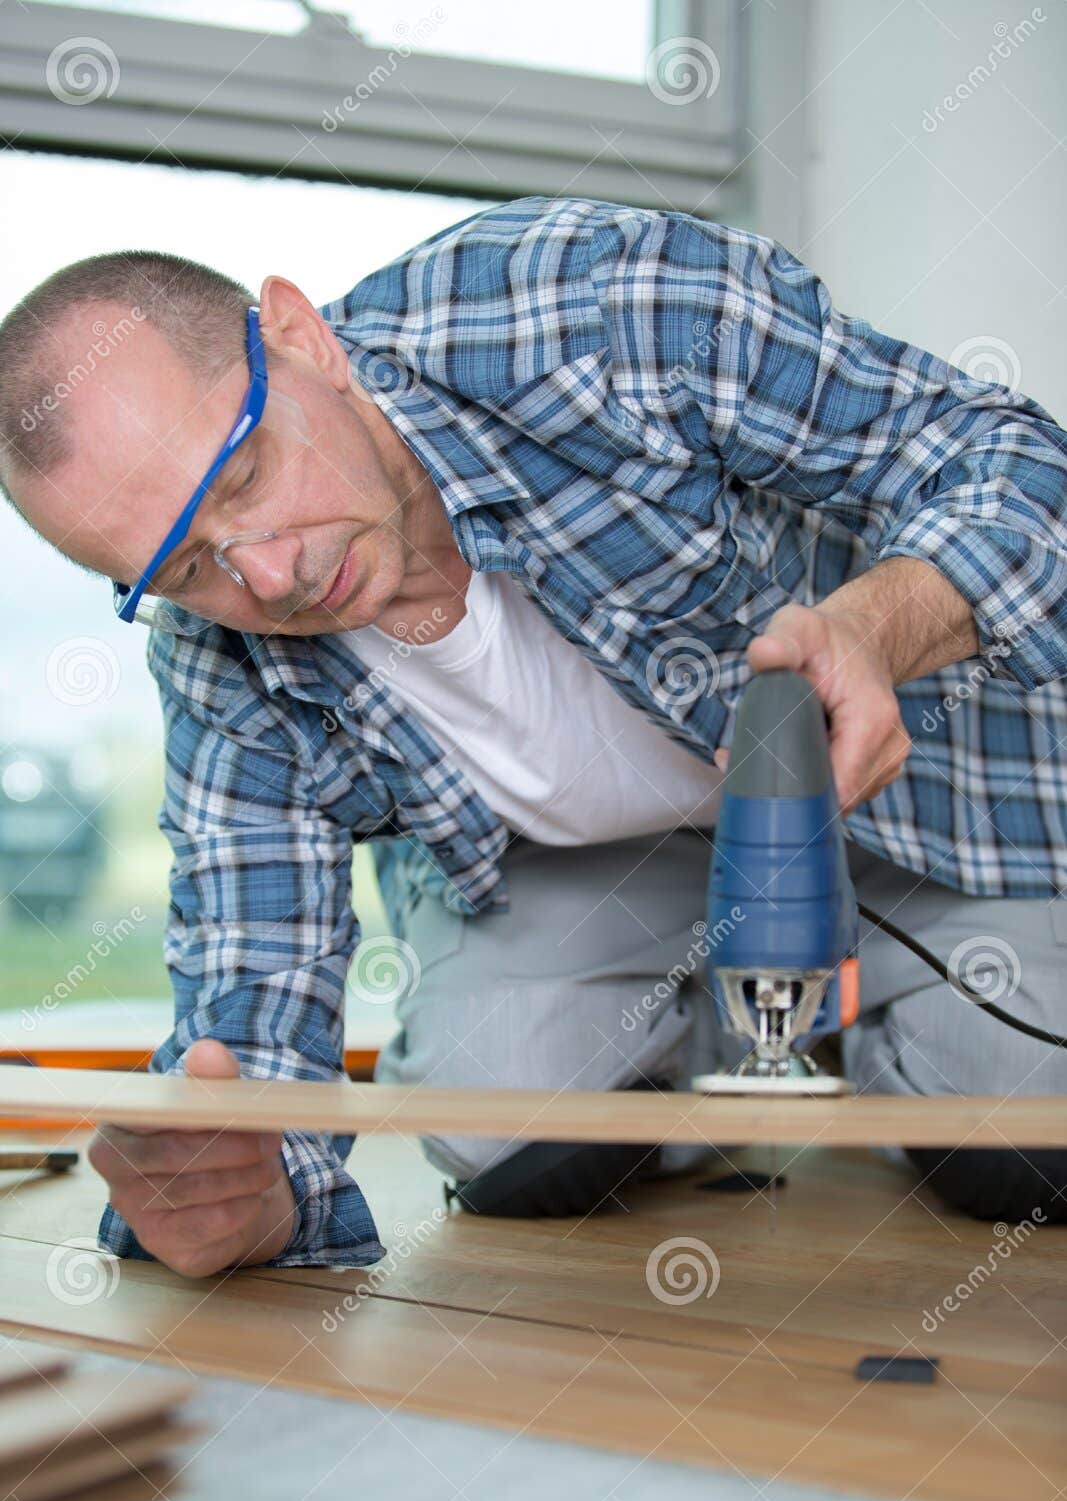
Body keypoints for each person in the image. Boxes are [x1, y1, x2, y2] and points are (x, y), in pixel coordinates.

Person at [2, 196, 1065, 1278]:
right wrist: (244, 1202)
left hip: (903, 812)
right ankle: (700, 1039)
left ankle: (857, 1028)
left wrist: (878, 628)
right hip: (589, 876)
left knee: (1029, 1121)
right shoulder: (218, 656)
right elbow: (250, 1019)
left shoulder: (595, 305)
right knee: (499, 1129)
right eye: (188, 565)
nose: (269, 578)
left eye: (245, 475)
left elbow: (1014, 461)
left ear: (299, 336)